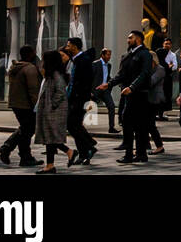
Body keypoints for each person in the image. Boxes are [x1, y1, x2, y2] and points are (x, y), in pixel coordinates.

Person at [98, 28, 155, 164]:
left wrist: (132, 87)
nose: (128, 40)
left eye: (130, 38)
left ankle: (137, 154)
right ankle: (132, 153)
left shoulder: (145, 54)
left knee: (137, 125)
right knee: (128, 123)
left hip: (140, 95)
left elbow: (145, 73)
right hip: (127, 94)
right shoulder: (127, 55)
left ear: (138, 39)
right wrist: (109, 84)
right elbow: (121, 74)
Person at [0, 45, 41, 167]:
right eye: (33, 52)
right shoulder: (30, 69)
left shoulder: (16, 67)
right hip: (27, 105)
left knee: (26, 129)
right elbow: (33, 90)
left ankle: (25, 156)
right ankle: (7, 147)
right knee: (27, 129)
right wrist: (37, 106)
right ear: (30, 54)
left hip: (16, 103)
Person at [33, 50, 70, 175]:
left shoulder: (55, 75)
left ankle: (67, 153)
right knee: (49, 139)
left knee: (51, 138)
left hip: (54, 112)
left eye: (44, 59)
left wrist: (51, 105)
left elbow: (60, 92)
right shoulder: (49, 75)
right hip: (49, 111)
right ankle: (50, 165)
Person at [63, 37, 97, 166]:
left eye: (68, 46)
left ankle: (88, 148)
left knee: (72, 124)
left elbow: (86, 81)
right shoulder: (76, 60)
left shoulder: (84, 60)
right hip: (74, 98)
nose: (67, 48)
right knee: (74, 125)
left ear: (75, 46)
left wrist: (81, 97)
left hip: (79, 99)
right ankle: (87, 150)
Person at [92, 48, 118, 133]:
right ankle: (78, 124)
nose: (109, 57)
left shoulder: (109, 65)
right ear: (102, 55)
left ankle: (111, 127)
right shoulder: (95, 64)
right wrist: (90, 91)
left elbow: (107, 76)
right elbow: (90, 78)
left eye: (110, 55)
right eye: (107, 54)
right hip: (95, 90)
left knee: (111, 107)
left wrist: (112, 83)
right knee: (87, 108)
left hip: (105, 90)